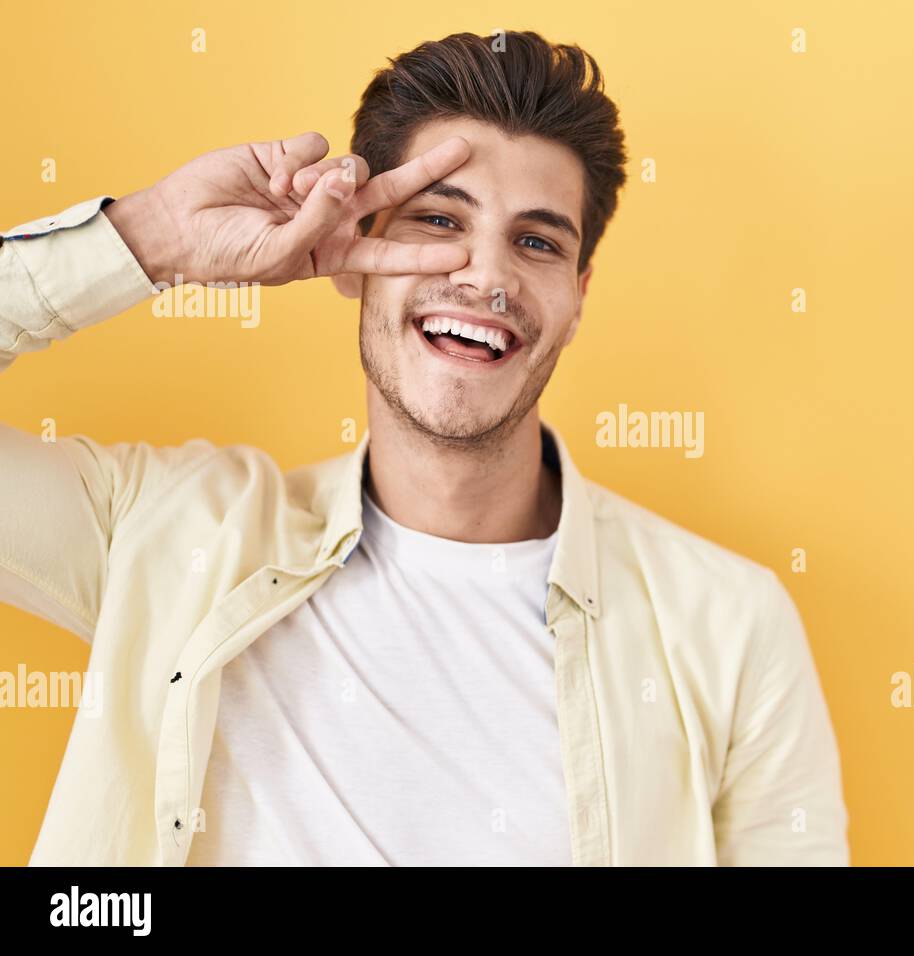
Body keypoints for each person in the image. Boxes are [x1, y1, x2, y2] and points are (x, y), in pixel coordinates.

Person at [0, 30, 848, 866]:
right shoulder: (162, 529)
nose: (486, 278)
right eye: (439, 221)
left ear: (578, 295)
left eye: (537, 241)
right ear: (349, 254)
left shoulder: (733, 626)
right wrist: (153, 239)